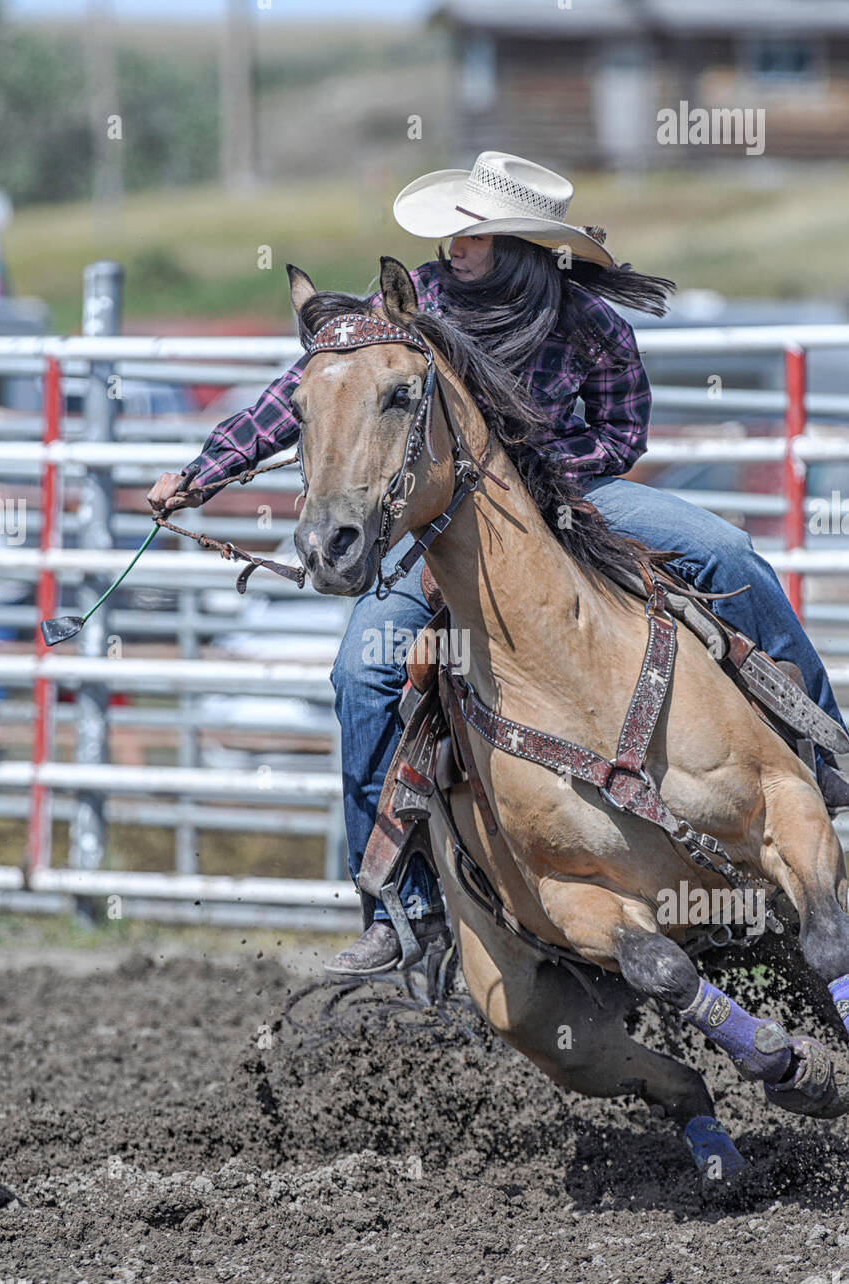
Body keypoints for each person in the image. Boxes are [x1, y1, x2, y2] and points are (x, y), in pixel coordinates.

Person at [147, 151, 849, 977]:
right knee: (362, 675)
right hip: (445, 522)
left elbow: (624, 433)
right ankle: (400, 903)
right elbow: (314, 386)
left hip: (577, 501)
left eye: (473, 232)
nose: (454, 245)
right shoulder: (411, 304)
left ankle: (820, 746)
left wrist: (541, 473)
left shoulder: (586, 323)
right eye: (454, 230)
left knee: (728, 551)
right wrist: (205, 471)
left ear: (517, 242)